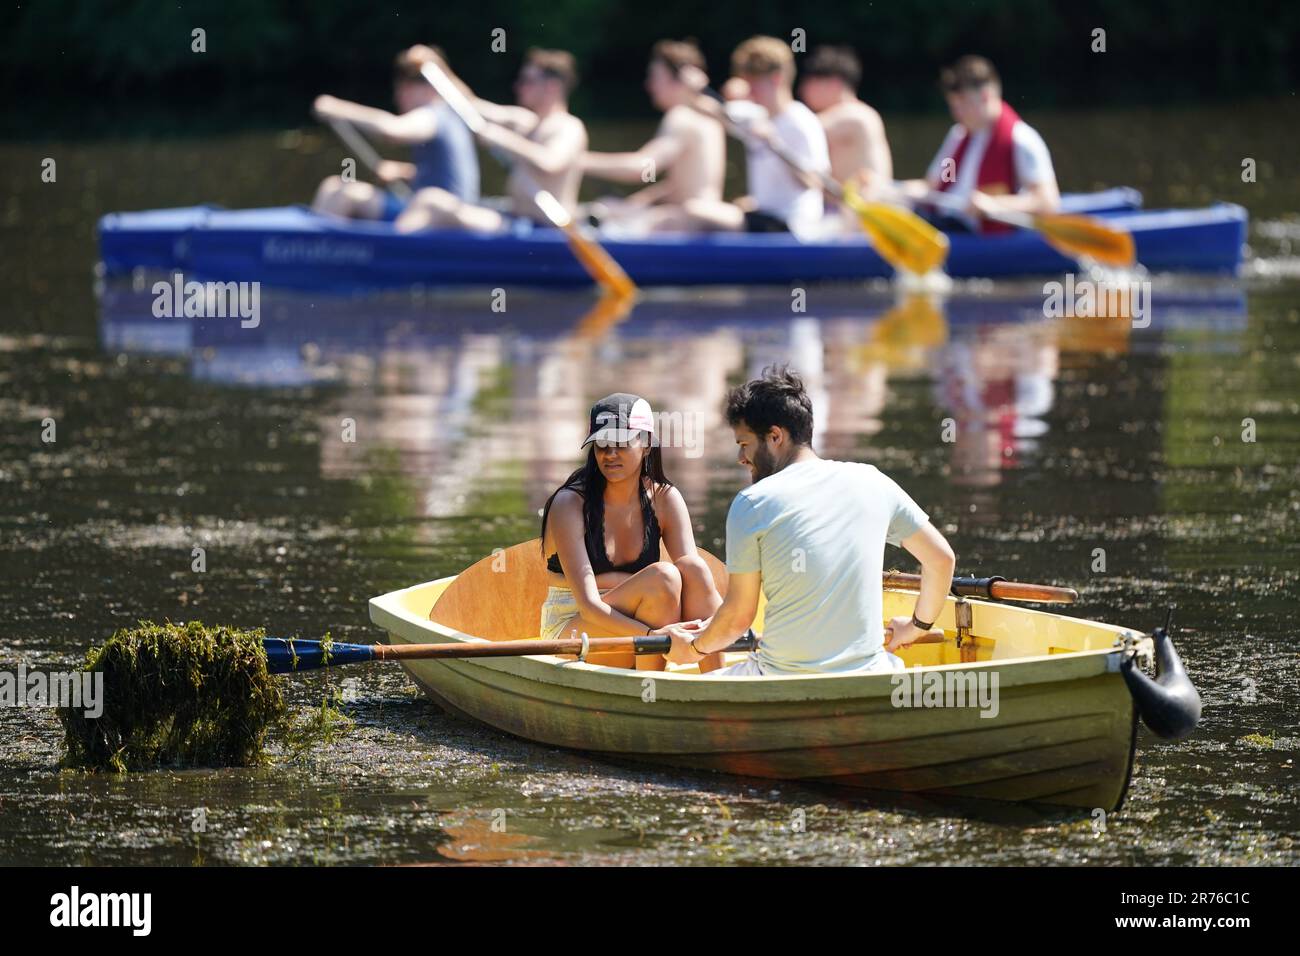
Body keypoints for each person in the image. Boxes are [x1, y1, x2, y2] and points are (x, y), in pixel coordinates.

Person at [663, 366, 956, 676]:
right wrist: (917, 627)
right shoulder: (873, 481)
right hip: (871, 674)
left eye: (744, 444)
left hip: (780, 677)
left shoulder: (753, 502)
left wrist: (693, 648)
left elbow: (738, 618)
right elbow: (941, 559)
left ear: (775, 436)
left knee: (700, 679)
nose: (741, 458)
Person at [540, 393, 724, 673]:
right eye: (601, 444)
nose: (610, 454)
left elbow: (694, 580)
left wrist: (727, 620)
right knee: (663, 577)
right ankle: (649, 694)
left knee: (693, 568)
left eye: (622, 443)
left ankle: (720, 684)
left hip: (646, 620)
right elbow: (589, 606)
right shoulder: (570, 503)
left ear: (647, 443)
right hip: (576, 625)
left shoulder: (665, 498)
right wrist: (656, 638)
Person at [396, 47, 588, 233]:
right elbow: (469, 104)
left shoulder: (569, 127)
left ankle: (391, 249)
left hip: (547, 229)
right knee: (433, 203)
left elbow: (551, 162)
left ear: (551, 87)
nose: (518, 87)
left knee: (432, 201)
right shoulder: (525, 122)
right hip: (518, 222)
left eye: (527, 81)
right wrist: (437, 67)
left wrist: (503, 138)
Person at [676, 36, 831, 238]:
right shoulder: (754, 116)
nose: (748, 91)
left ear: (776, 79)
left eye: (754, 84)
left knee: (694, 210)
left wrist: (774, 143)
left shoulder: (801, 122)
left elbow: (815, 183)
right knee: (688, 213)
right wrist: (694, 88)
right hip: (763, 216)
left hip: (793, 225)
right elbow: (708, 109)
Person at [891, 55, 1059, 233]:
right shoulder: (958, 136)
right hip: (944, 222)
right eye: (954, 106)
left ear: (985, 97)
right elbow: (939, 184)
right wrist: (898, 191)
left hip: (977, 232)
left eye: (963, 105)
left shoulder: (1022, 139)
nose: (957, 114)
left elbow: (1047, 202)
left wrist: (995, 204)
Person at [310, 47, 479, 221]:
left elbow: (392, 130)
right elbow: (443, 173)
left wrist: (337, 108)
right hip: (440, 210)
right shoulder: (451, 115)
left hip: (441, 218)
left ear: (425, 88)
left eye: (402, 89)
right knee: (335, 188)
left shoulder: (433, 115)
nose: (397, 97)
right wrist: (404, 172)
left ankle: (315, 247)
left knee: (340, 192)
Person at [580, 40, 726, 234]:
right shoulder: (710, 120)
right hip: (703, 223)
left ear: (678, 80)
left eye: (655, 77)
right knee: (609, 208)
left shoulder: (681, 118)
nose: (648, 85)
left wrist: (579, 160)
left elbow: (645, 169)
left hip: (689, 225)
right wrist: (638, 202)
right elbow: (685, 183)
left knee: (592, 222)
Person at [797, 45, 892, 190]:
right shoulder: (859, 113)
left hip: (863, 207)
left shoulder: (854, 115)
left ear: (834, 84)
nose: (802, 90)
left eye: (809, 83)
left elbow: (796, 131)